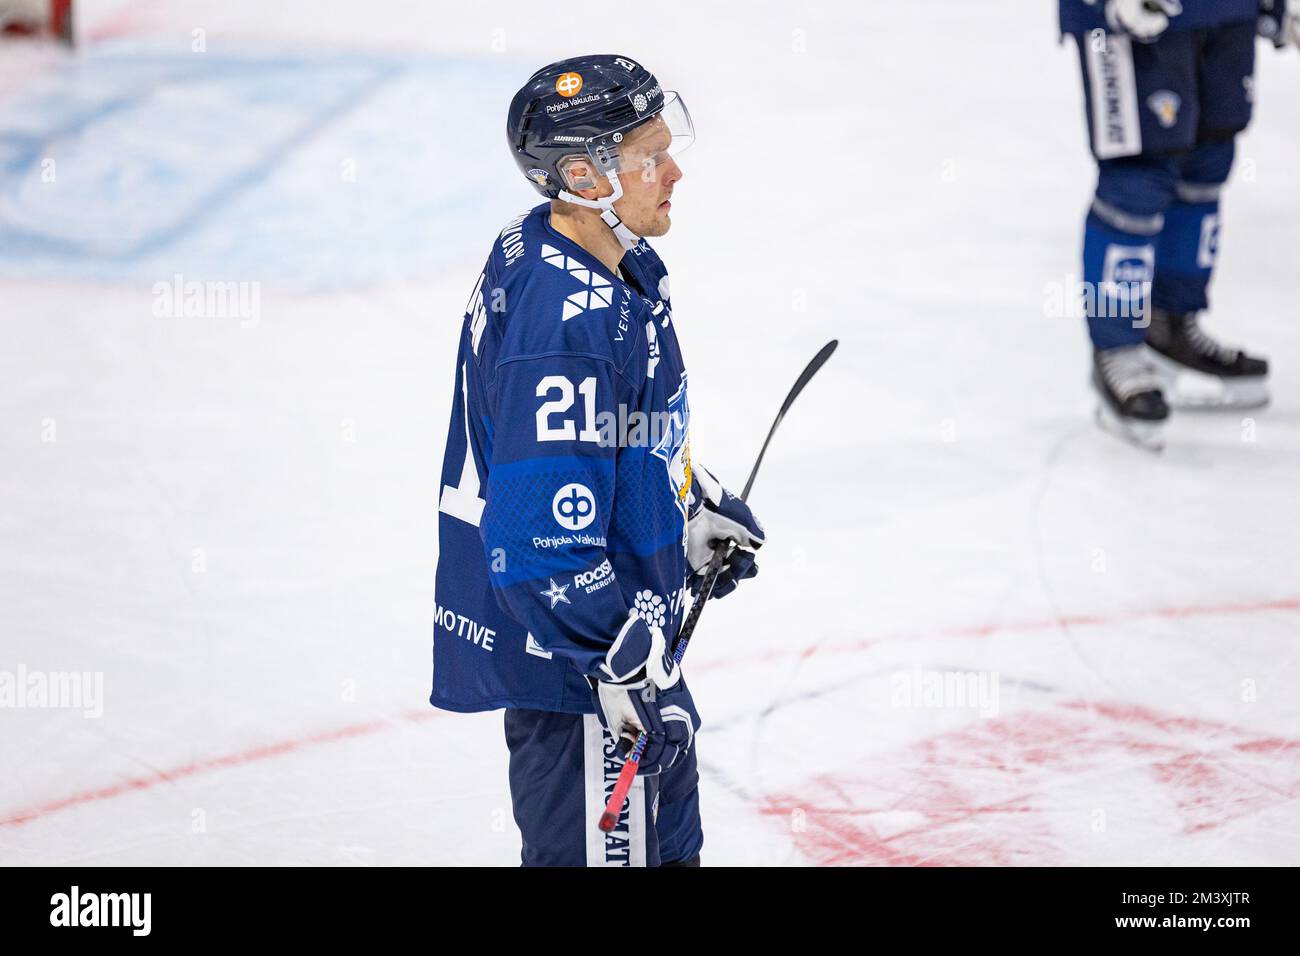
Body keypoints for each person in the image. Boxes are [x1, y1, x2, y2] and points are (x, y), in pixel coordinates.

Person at [429, 54, 765, 866]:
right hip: (589, 686)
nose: (673, 170)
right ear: (583, 175)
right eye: (649, 155)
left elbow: (600, 437)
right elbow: (539, 536)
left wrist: (683, 505)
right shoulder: (565, 327)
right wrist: (610, 656)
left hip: (610, 659)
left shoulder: (569, 254)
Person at [1061, 0, 1297, 449]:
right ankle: (1117, 347)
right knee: (1137, 176)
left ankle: (1169, 326)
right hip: (1133, 19)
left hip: (1226, 12)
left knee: (1208, 160)